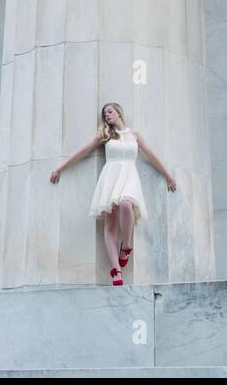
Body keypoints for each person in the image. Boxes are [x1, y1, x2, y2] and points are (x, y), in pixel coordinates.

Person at [49, 102, 176, 286]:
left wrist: (168, 176)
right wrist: (60, 169)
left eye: (109, 111)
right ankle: (116, 270)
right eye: (104, 114)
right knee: (110, 224)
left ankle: (126, 245)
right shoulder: (105, 136)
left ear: (118, 112)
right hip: (110, 177)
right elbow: (82, 152)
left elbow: (152, 156)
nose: (107, 115)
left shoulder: (134, 135)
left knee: (126, 204)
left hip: (129, 175)